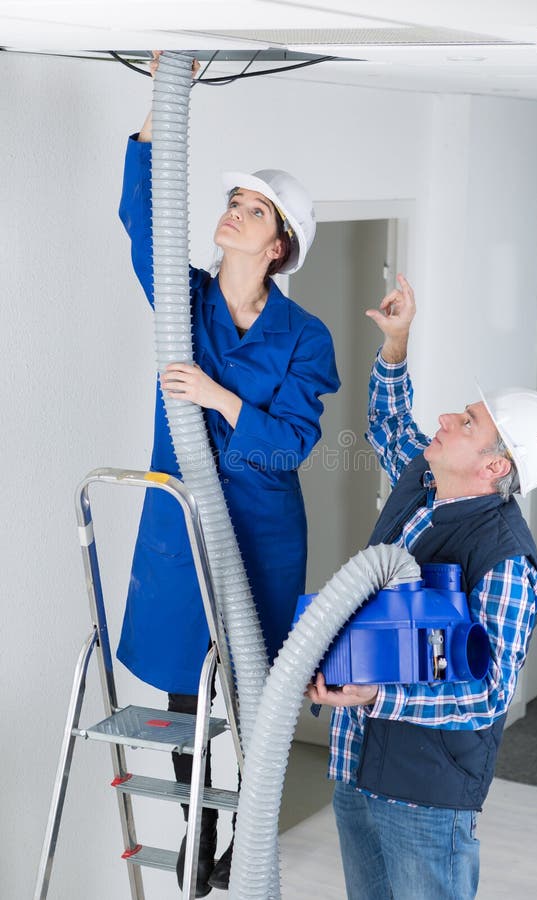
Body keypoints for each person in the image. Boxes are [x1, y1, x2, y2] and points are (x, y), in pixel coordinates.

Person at [118, 53, 340, 896]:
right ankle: (198, 829)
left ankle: (249, 831)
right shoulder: (186, 300)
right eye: (232, 202)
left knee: (254, 688)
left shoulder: (305, 337)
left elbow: (287, 446)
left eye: (250, 210)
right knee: (187, 688)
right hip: (184, 528)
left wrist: (215, 395)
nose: (231, 214)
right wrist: (152, 114)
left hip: (261, 533)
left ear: (278, 243)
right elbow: (143, 223)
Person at [307, 274, 537, 900]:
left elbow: (485, 694)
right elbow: (390, 423)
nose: (448, 417)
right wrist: (396, 344)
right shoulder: (425, 484)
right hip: (357, 768)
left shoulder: (505, 560)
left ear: (495, 466)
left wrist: (375, 696)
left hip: (425, 798)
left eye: (469, 421)